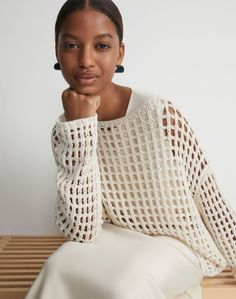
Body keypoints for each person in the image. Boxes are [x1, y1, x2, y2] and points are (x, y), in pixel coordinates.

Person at [25, 0, 236, 298]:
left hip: (177, 243)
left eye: (101, 46)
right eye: (72, 45)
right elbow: (82, 230)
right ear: (57, 50)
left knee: (125, 286)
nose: (85, 60)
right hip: (108, 238)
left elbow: (208, 195)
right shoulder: (67, 129)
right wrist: (80, 126)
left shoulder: (158, 114)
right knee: (56, 268)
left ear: (119, 52)